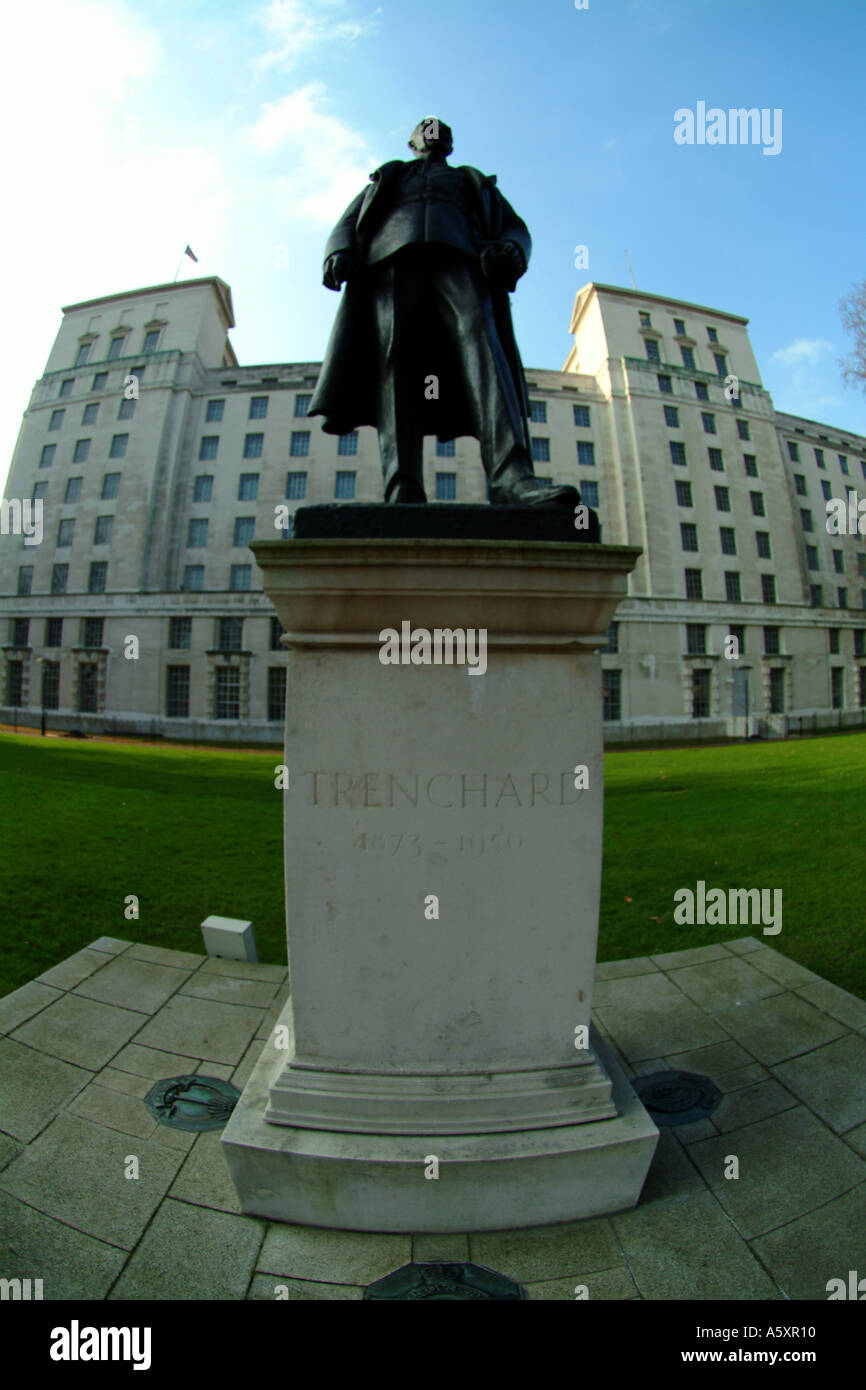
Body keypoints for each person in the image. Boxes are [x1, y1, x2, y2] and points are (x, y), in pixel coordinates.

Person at [308, 117, 579, 507]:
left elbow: (514, 227)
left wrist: (513, 250)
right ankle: (402, 485)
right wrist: (338, 250)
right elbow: (349, 221)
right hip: (392, 259)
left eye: (441, 129)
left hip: (463, 259)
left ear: (449, 144)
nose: (434, 130)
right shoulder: (389, 178)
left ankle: (512, 477)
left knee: (486, 350)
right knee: (394, 357)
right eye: (426, 127)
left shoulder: (473, 182)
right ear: (412, 141)